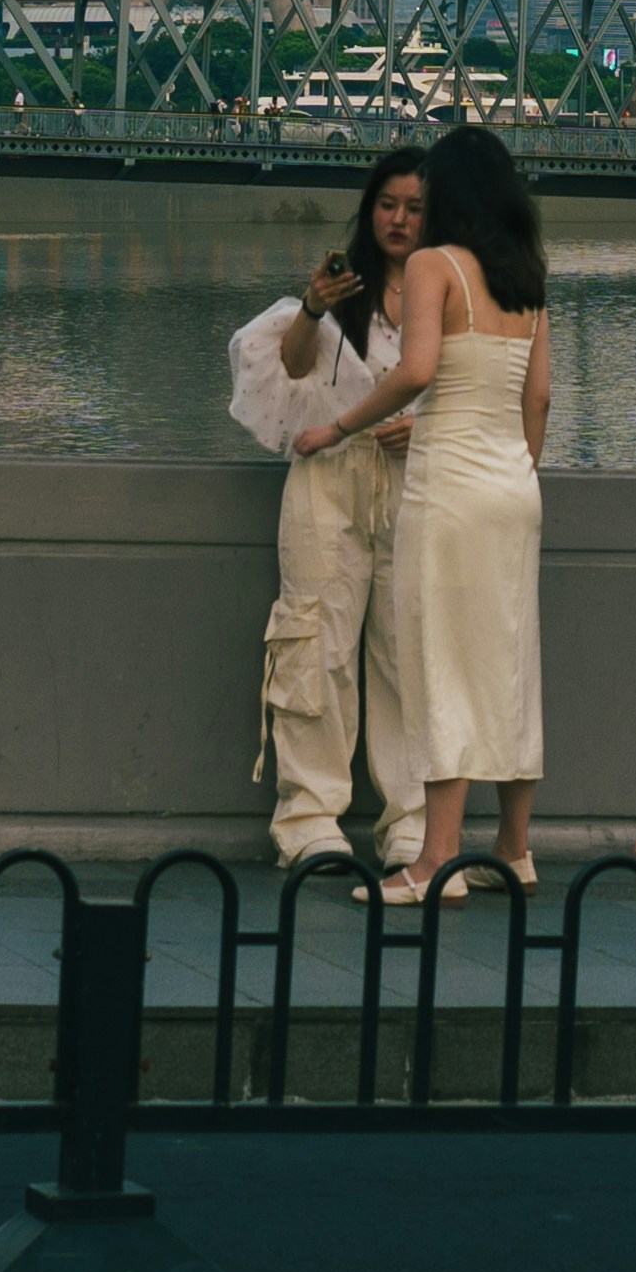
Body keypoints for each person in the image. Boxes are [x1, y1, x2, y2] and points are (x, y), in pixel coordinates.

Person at [315, 118, 550, 897]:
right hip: (514, 488)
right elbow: (537, 396)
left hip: (447, 485)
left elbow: (416, 370)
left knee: (442, 665)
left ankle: (432, 860)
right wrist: (518, 473)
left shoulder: (432, 266)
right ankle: (514, 850)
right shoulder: (526, 276)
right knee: (511, 666)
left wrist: (340, 425)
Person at [232, 151, 435, 874]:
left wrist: (429, 428)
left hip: (415, 480)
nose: (400, 219)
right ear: (368, 208)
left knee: (408, 649)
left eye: (414, 206)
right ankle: (310, 817)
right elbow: (288, 367)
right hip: (327, 478)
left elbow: (473, 392)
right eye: (388, 204)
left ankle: (411, 821)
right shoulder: (338, 290)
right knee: (314, 638)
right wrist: (314, 305)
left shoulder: (447, 295)